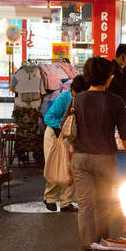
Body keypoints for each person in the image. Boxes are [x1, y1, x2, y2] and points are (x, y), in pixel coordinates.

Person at [67, 56, 126, 251]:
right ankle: (103, 241)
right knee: (104, 202)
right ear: (108, 77)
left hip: (80, 159)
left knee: (86, 205)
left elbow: (67, 133)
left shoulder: (76, 101)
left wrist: (67, 161)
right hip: (105, 158)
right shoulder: (115, 101)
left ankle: (88, 246)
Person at [40, 70, 78, 213]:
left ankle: (65, 203)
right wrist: (62, 127)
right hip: (54, 135)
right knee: (55, 166)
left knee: (71, 170)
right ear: (73, 90)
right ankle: (50, 198)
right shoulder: (63, 99)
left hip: (70, 137)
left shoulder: (81, 99)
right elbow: (48, 117)